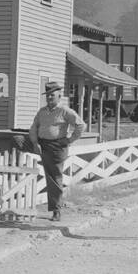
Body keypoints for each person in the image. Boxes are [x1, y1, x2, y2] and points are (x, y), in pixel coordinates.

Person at [28, 81, 84, 221]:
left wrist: (69, 140)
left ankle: (56, 210)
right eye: (47, 95)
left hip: (56, 147)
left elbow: (80, 125)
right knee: (16, 139)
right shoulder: (42, 111)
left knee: (54, 177)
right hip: (42, 144)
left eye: (52, 95)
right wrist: (35, 143)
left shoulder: (65, 111)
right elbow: (34, 127)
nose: (49, 98)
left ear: (59, 96)